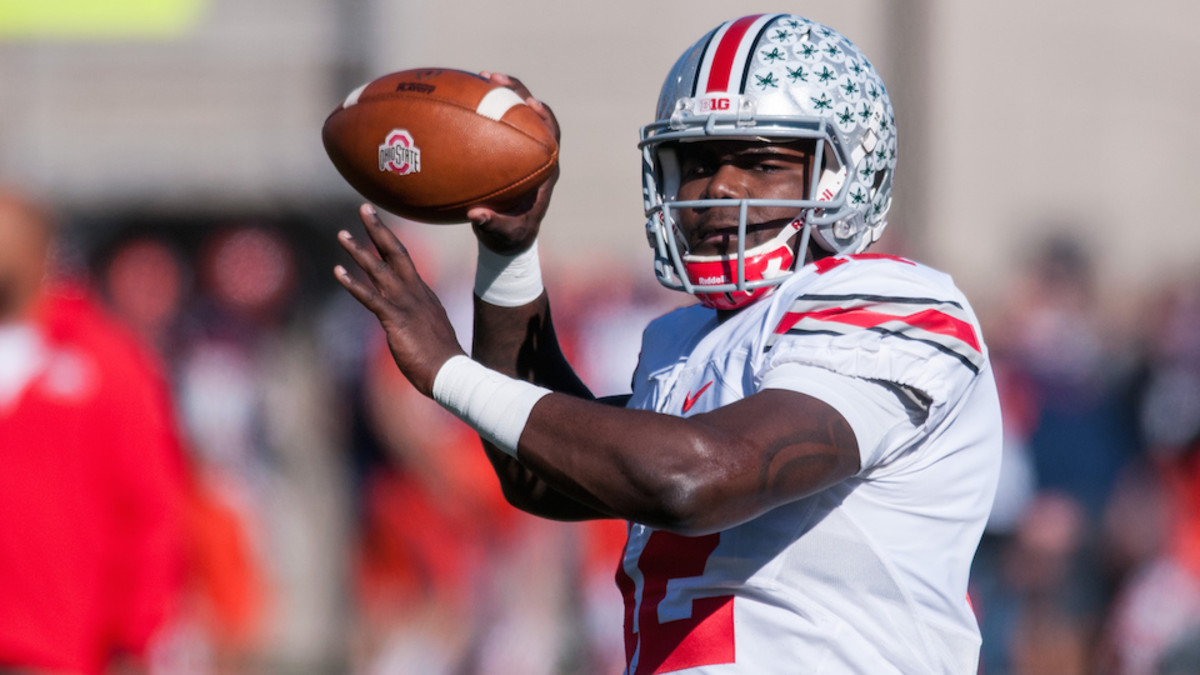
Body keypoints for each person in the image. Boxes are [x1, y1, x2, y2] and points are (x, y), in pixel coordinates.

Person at [334, 13, 1002, 674]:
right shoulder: (685, 337)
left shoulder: (896, 304)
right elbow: (540, 471)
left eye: (760, 162)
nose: (719, 189)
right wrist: (509, 251)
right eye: (699, 162)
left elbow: (691, 479)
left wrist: (448, 370)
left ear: (843, 175)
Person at [0, 188, 189, 674]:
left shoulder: (107, 361)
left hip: (57, 648)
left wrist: (137, 635)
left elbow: (151, 506)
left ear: (39, 249)